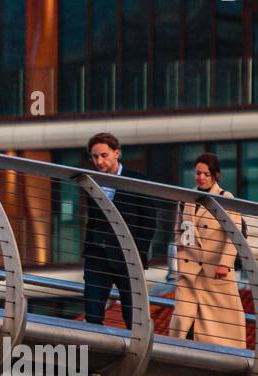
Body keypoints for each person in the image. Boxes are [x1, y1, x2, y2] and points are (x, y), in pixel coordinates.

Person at [170, 152, 246, 350]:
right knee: (182, 316)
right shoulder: (186, 198)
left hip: (216, 272)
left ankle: (229, 354)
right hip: (190, 270)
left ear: (215, 176)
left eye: (206, 174)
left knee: (221, 321)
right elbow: (179, 230)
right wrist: (180, 253)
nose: (201, 177)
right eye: (198, 173)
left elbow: (234, 234)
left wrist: (225, 263)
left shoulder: (225, 198)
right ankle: (176, 350)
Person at [82, 132, 155, 328]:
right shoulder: (90, 181)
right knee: (92, 315)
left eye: (104, 155)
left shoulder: (137, 180)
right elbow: (94, 220)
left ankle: (135, 357)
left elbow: (149, 223)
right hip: (97, 257)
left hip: (128, 260)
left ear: (117, 153)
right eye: (95, 156)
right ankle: (96, 356)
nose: (99, 161)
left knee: (133, 318)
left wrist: (136, 256)